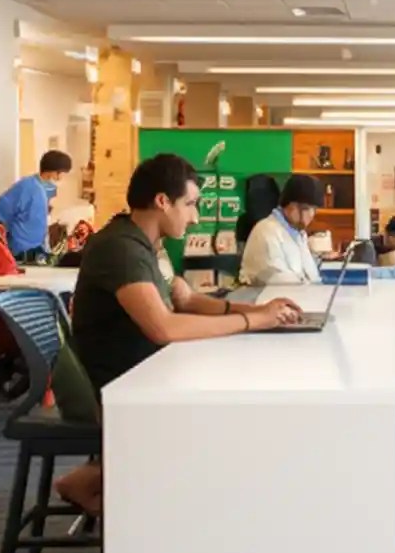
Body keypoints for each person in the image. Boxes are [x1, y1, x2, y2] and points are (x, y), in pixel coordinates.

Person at [58, 154, 303, 515]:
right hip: (116, 384)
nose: (196, 217)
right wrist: (253, 322)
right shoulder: (121, 248)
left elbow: (185, 300)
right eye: (190, 205)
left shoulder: (148, 244)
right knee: (224, 415)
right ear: (162, 201)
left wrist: (258, 311)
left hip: (143, 371)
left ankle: (112, 483)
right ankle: (113, 487)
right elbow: (164, 328)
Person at [239, 174, 325, 286]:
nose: (311, 215)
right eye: (306, 209)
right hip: (263, 298)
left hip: (293, 297)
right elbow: (277, 279)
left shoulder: (298, 234)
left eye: (314, 209)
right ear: (291, 205)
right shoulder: (266, 232)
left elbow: (311, 276)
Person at [0, 150, 72, 262]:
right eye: (61, 175)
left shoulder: (45, 190)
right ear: (54, 173)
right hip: (19, 251)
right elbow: (0, 212)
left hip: (37, 252)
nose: (60, 180)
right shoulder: (26, 186)